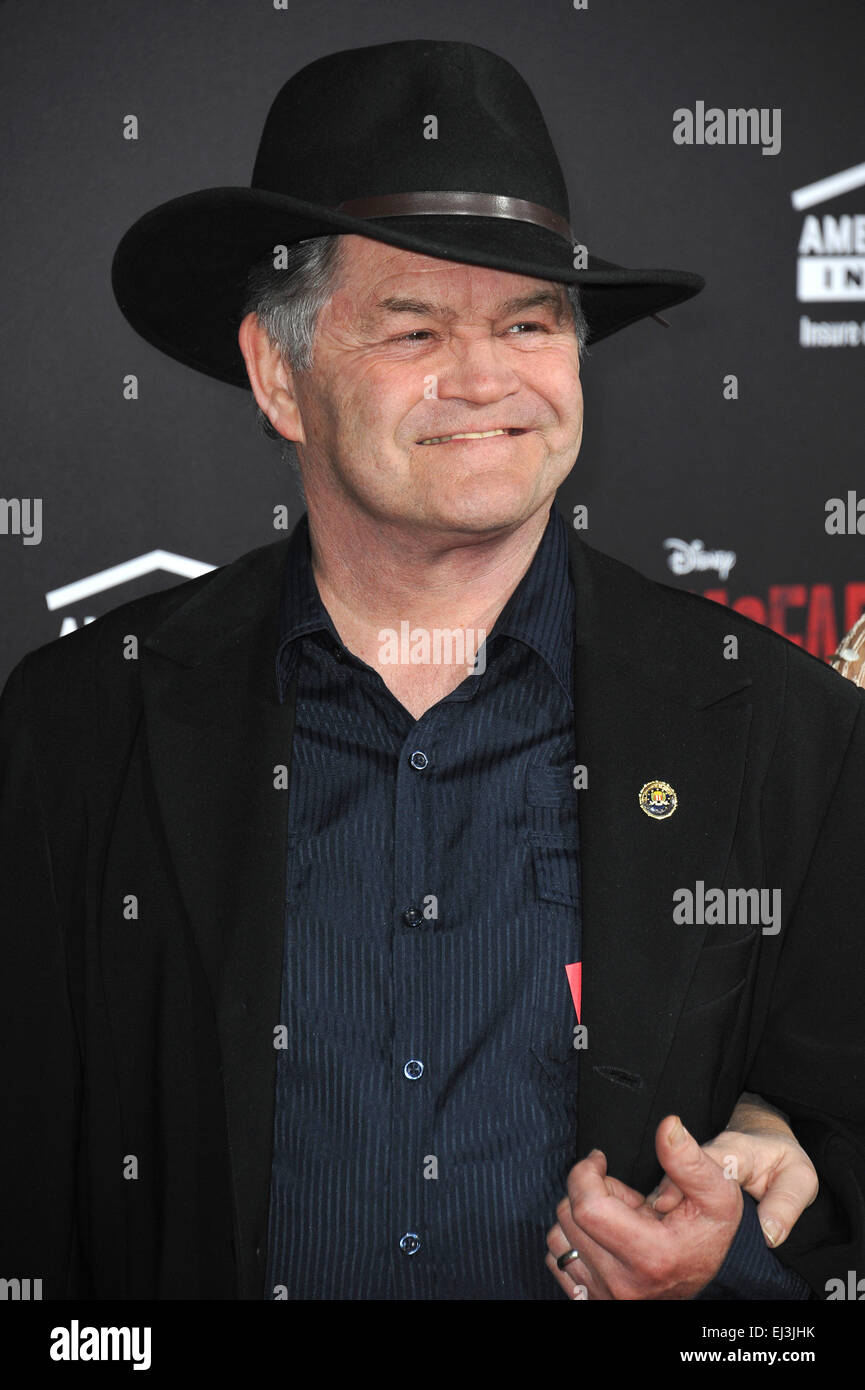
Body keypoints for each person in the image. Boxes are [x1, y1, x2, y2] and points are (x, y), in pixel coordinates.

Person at [1, 39, 861, 1301]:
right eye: (413, 329)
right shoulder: (80, 726)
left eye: (529, 322)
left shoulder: (786, 729)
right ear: (277, 374)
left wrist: (733, 1276)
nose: (485, 380)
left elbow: (838, 1150)